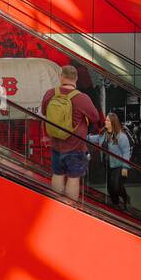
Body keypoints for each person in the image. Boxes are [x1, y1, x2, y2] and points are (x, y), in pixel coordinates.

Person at [41, 65, 101, 200]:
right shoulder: (82, 98)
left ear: (61, 77)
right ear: (76, 79)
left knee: (58, 174)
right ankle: (70, 208)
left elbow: (44, 112)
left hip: (56, 144)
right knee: (73, 178)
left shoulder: (50, 93)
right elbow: (95, 117)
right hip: (76, 147)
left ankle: (56, 204)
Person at [88, 112, 131, 209]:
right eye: (106, 120)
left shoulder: (121, 136)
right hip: (107, 164)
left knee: (116, 186)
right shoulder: (103, 134)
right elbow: (93, 139)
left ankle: (125, 198)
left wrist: (125, 167)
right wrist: (82, 134)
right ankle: (116, 204)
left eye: (107, 120)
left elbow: (126, 152)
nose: (105, 121)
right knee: (110, 188)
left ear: (113, 122)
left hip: (118, 165)